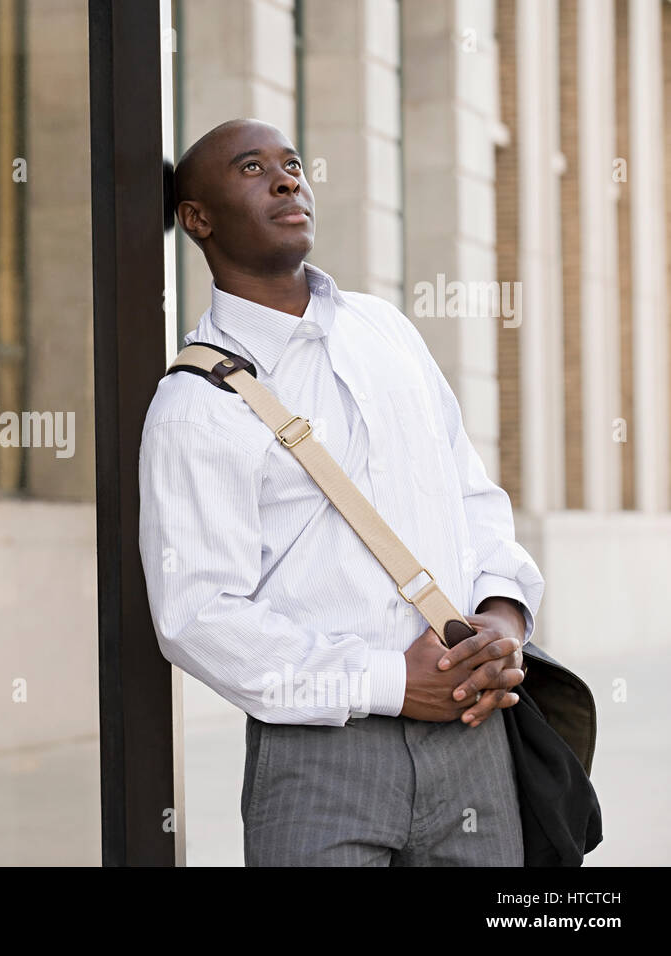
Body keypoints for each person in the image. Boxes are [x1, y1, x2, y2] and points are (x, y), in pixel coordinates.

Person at [139, 118, 545, 866]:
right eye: (253, 168)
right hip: (322, 759)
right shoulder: (194, 407)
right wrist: (392, 682)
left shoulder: (388, 332)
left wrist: (503, 616)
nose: (288, 179)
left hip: (472, 738)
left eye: (293, 163)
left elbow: (472, 498)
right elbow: (196, 615)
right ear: (197, 219)